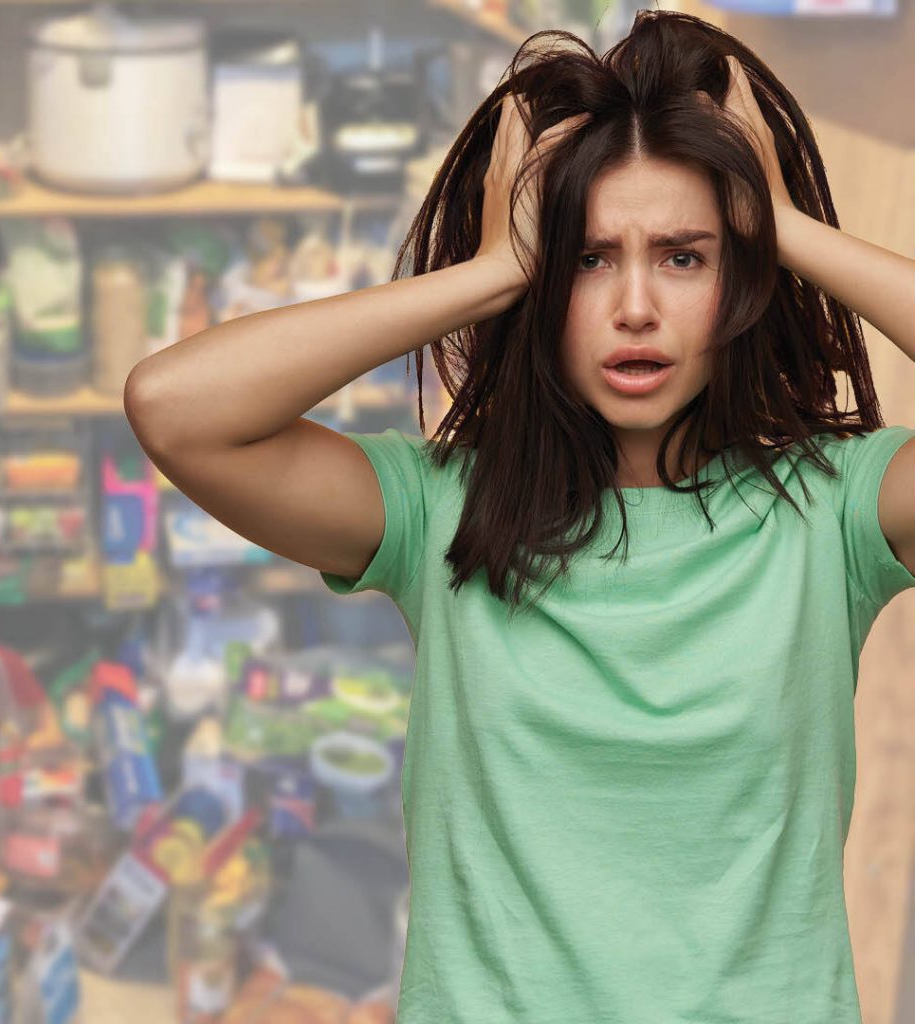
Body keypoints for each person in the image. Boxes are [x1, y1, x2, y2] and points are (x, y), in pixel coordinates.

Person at [124, 11, 915, 1023]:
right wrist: (489, 271)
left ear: (741, 275)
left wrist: (789, 227)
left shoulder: (835, 507)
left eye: (684, 257)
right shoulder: (441, 507)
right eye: (586, 259)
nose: (634, 305)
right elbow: (174, 409)